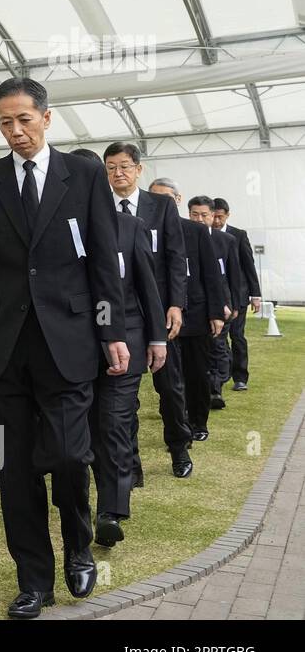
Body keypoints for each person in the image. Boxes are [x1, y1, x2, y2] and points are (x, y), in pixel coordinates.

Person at [0, 77, 126, 620]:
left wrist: (112, 329)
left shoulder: (86, 173)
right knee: (19, 470)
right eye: (5, 122)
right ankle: (34, 580)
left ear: (47, 118)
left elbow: (102, 256)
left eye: (25, 119)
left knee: (72, 455)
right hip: (4, 347)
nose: (16, 131)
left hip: (69, 342)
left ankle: (77, 543)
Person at [69, 149, 166, 549]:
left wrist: (157, 337)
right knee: (82, 432)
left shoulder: (129, 226)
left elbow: (148, 287)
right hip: (73, 347)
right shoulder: (59, 229)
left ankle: (111, 510)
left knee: (113, 425)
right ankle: (75, 502)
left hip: (125, 343)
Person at [102, 142, 191, 481]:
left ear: (139, 169)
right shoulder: (100, 209)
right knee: (124, 395)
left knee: (168, 386)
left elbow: (175, 259)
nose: (117, 173)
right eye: (110, 167)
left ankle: (179, 448)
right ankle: (132, 463)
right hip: (121, 314)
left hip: (159, 313)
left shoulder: (162, 206)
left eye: (124, 166)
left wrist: (175, 305)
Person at [149, 180, 226, 444]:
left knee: (196, 371)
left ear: (178, 200)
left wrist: (216, 312)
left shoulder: (195, 230)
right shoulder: (143, 229)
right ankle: (176, 423)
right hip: (159, 315)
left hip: (195, 313)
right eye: (154, 197)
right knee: (167, 378)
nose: (160, 203)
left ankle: (198, 420)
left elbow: (212, 274)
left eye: (166, 198)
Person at [187, 196, 240, 413]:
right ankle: (200, 389)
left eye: (204, 215)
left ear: (213, 215)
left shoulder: (225, 240)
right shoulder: (182, 237)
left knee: (218, 346)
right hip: (195, 305)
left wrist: (233, 304)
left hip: (221, 303)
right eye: (195, 215)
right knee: (200, 351)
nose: (200, 219)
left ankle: (216, 388)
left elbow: (234, 275)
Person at [211, 199, 261, 392]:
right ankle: (224, 373)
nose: (216, 221)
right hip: (218, 297)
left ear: (227, 215)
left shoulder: (238, 235)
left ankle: (240, 377)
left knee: (237, 336)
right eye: (213, 216)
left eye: (220, 217)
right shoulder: (205, 234)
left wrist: (255, 294)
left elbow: (248, 265)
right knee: (219, 338)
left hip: (238, 297)